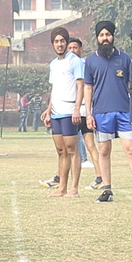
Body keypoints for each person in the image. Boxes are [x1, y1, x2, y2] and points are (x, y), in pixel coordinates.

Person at [78, 20, 132, 209]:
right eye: (102, 35)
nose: (105, 38)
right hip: (101, 113)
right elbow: (88, 88)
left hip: (124, 111)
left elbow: (131, 86)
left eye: (108, 34)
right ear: (97, 38)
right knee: (104, 150)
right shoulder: (91, 60)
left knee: (131, 149)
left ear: (113, 36)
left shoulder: (125, 58)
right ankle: (107, 189)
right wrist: (88, 114)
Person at [45, 29, 86, 194]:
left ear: (66, 42)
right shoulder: (53, 64)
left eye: (62, 41)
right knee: (61, 151)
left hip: (70, 112)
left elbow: (80, 86)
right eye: (56, 41)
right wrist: (48, 111)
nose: (59, 44)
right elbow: (54, 88)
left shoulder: (74, 61)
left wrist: (77, 109)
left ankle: (74, 188)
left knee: (72, 150)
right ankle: (61, 187)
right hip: (56, 112)